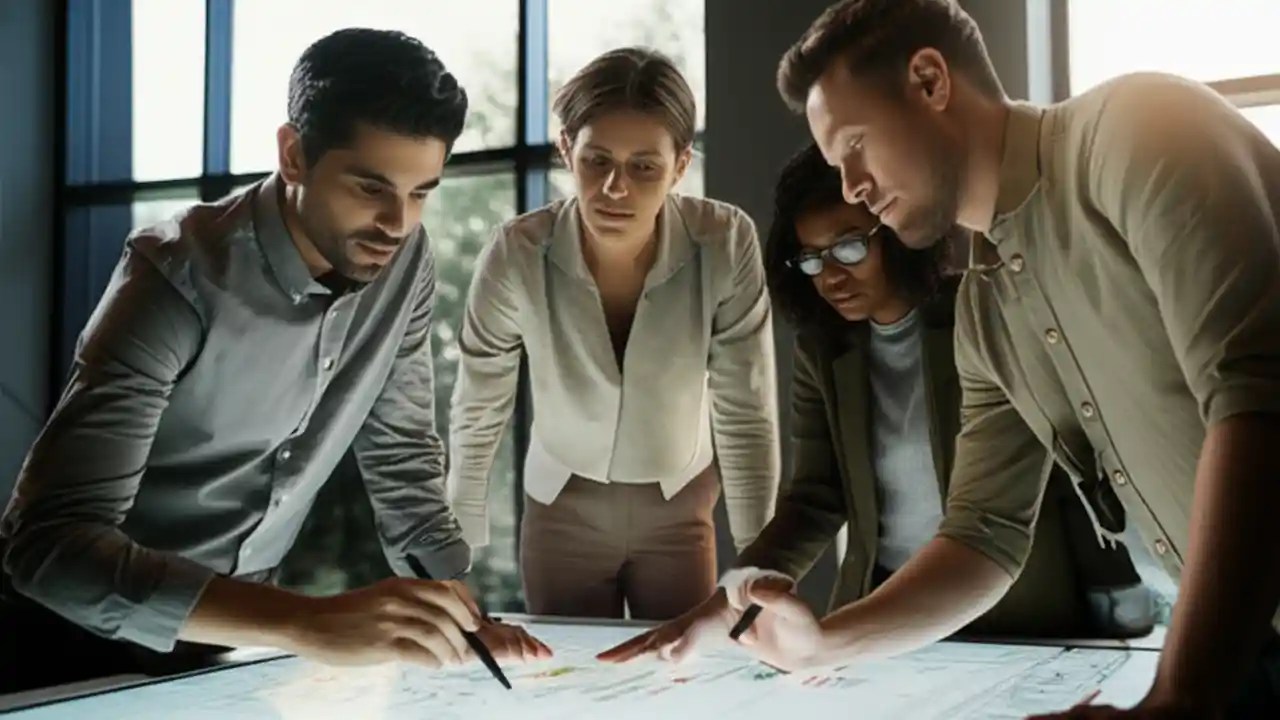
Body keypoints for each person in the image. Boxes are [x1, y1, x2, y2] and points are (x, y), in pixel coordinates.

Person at [689, 1, 1280, 717]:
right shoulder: (985, 310)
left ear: (931, 80)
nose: (853, 189)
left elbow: (1256, 401)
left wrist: (1179, 698)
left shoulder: (1138, 131)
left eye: (853, 146)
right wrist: (826, 644)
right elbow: (983, 536)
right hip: (1245, 647)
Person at [0, 28, 549, 695]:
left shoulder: (404, 260)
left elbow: (401, 453)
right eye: (370, 187)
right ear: (293, 154)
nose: (397, 223)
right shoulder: (172, 278)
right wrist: (308, 623)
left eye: (421, 192)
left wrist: (459, 614)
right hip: (71, 649)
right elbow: (49, 548)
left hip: (235, 650)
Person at [598, 143, 1154, 665]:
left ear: (897, 230)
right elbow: (814, 499)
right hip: (881, 611)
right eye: (811, 259)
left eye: (848, 246)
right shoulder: (825, 352)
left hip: (1017, 613)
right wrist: (722, 607)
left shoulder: (982, 316)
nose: (831, 275)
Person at [446, 47, 780, 621]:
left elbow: (745, 404)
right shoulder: (517, 252)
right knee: (566, 686)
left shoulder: (725, 241)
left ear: (679, 166)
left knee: (674, 688)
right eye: (596, 160)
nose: (615, 188)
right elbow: (480, 399)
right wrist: (456, 551)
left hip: (679, 501)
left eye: (643, 166)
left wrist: (761, 555)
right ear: (565, 151)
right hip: (561, 504)